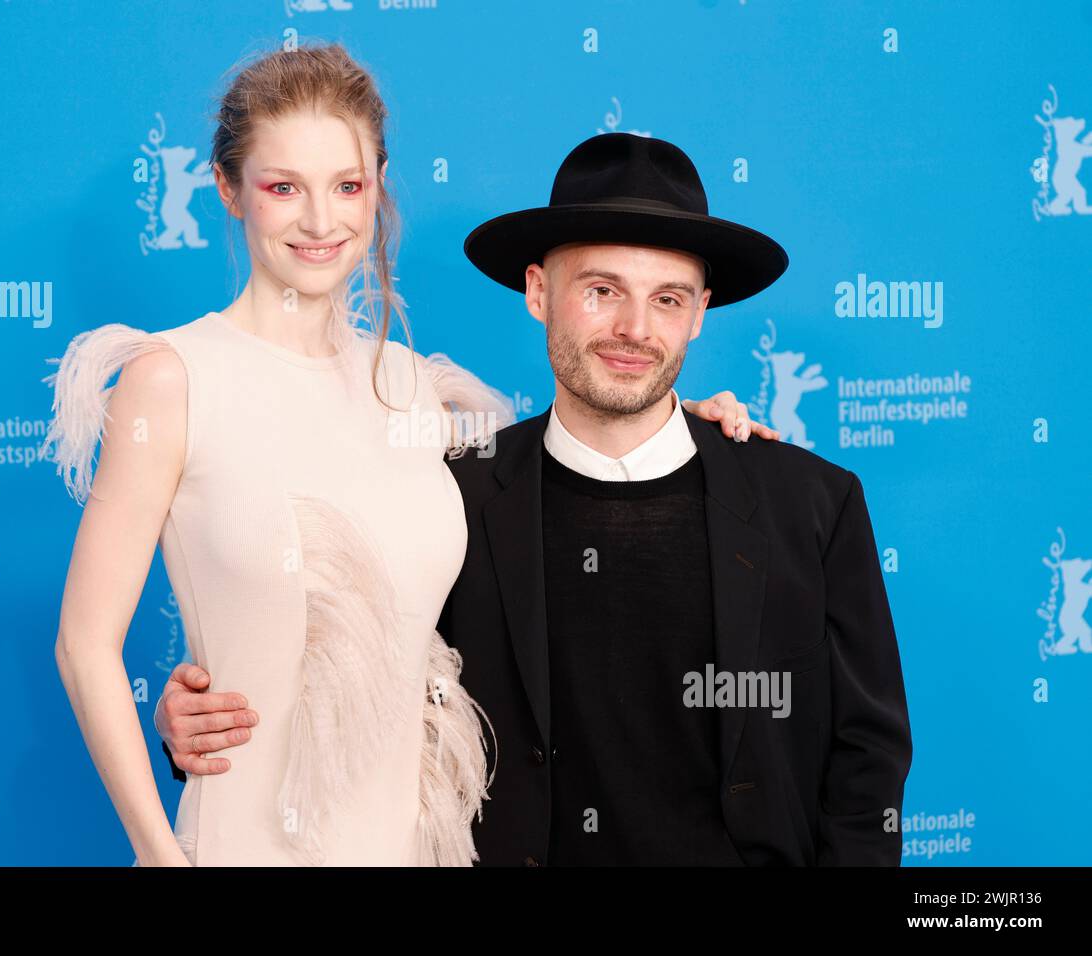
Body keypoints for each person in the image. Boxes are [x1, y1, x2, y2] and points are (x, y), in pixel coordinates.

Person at [45, 43, 769, 867]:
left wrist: (682, 428)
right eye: (284, 187)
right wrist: (163, 854)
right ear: (228, 189)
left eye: (347, 186)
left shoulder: (414, 388)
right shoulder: (171, 379)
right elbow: (84, 644)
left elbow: (565, 466)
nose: (321, 222)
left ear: (378, 186)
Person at [156, 131, 913, 866]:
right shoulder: (449, 496)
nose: (634, 329)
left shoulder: (809, 503)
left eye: (668, 299)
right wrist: (195, 720)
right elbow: (351, 678)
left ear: (700, 312)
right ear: (538, 292)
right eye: (602, 290)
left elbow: (868, 755)